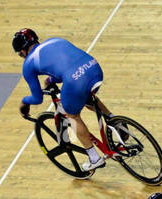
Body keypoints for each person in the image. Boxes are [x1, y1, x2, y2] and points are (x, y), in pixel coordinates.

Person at [13, 28, 110, 174]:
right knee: (86, 97)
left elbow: (37, 98)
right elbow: (65, 65)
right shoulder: (55, 40)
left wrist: (24, 102)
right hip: (94, 68)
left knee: (73, 116)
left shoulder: (28, 64)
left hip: (75, 80)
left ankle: (94, 158)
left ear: (22, 51)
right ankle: (115, 121)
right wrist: (51, 79)